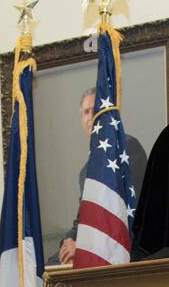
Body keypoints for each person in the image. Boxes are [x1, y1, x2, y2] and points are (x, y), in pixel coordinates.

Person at [55, 86, 147, 265]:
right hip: (97, 243)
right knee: (51, 264)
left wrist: (82, 246)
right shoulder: (86, 171)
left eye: (95, 110)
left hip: (128, 244)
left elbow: (122, 212)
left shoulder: (128, 148)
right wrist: (68, 241)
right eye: (86, 112)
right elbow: (83, 216)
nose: (91, 117)